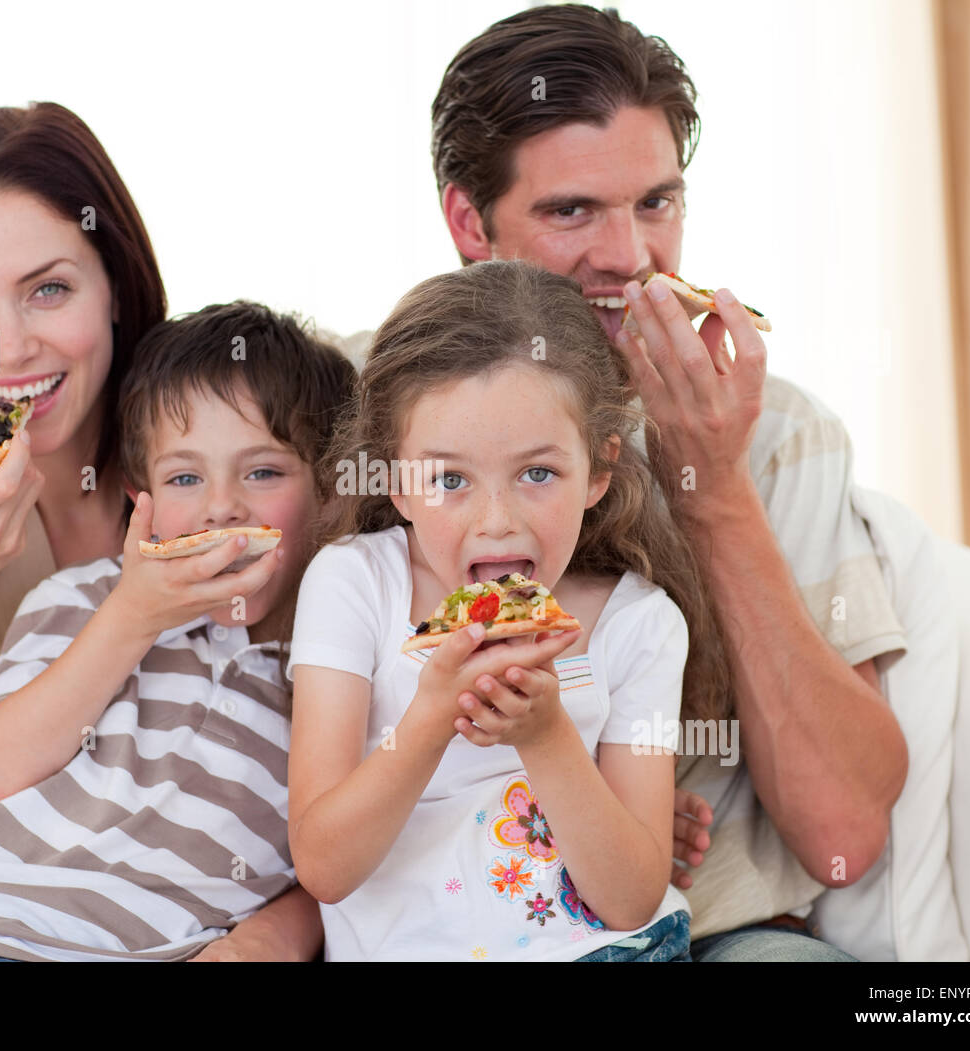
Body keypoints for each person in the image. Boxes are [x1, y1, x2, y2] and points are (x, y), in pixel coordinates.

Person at [427, 4, 909, 961]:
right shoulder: (373, 413)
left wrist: (715, 486)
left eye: (657, 202)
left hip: (723, 935)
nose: (631, 258)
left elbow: (844, 836)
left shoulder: (777, 432)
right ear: (469, 222)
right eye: (572, 210)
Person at [0, 302, 353, 961]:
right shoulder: (83, 597)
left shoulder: (341, 666)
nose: (222, 504)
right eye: (184, 477)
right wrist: (133, 614)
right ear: (137, 496)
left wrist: (280, 934)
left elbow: (347, 849)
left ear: (331, 496)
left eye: (263, 471)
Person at [287, 260, 735, 961]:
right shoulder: (352, 585)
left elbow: (632, 895)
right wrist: (433, 713)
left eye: (537, 473)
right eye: (449, 479)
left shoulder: (639, 625)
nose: (496, 521)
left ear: (600, 469)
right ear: (395, 483)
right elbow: (323, 864)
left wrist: (547, 732)